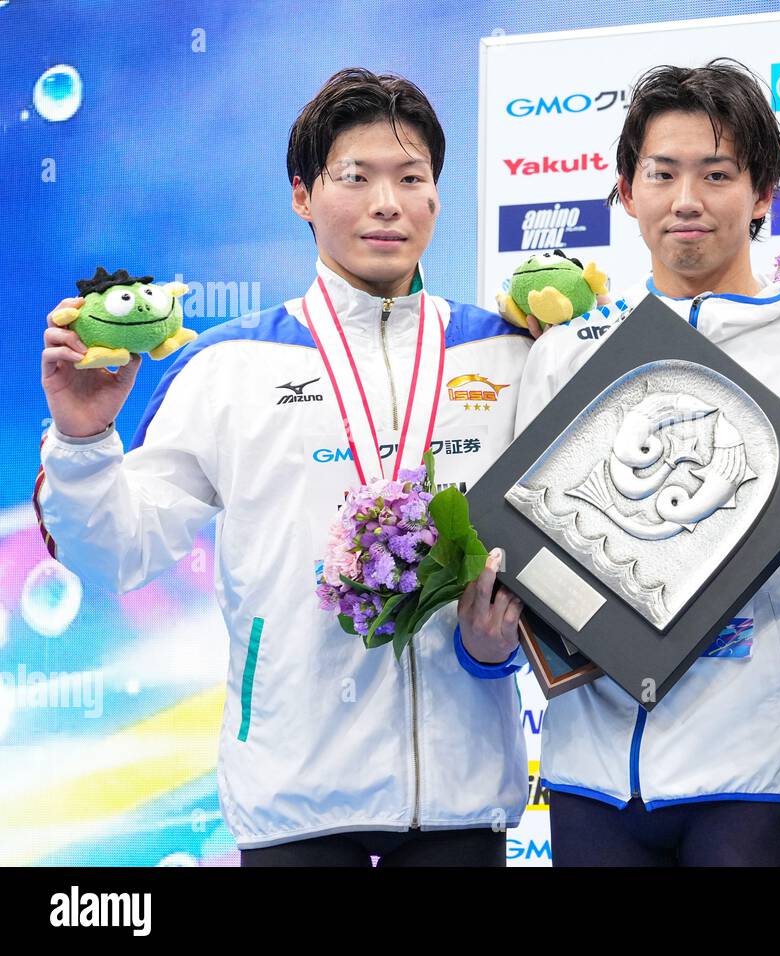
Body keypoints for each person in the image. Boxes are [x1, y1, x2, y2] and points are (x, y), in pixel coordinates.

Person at [35, 68, 530, 866]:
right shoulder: (228, 365)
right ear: (302, 194)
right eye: (355, 177)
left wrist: (498, 641)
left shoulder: (507, 354)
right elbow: (118, 554)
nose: (387, 203)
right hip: (293, 802)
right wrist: (86, 442)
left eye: (412, 178)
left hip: (461, 798)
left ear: (439, 193)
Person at [512, 59, 780, 866]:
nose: (687, 200)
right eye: (663, 173)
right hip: (586, 773)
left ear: (761, 196)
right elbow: (527, 554)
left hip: (749, 768)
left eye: (717, 174)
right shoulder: (561, 357)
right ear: (626, 190)